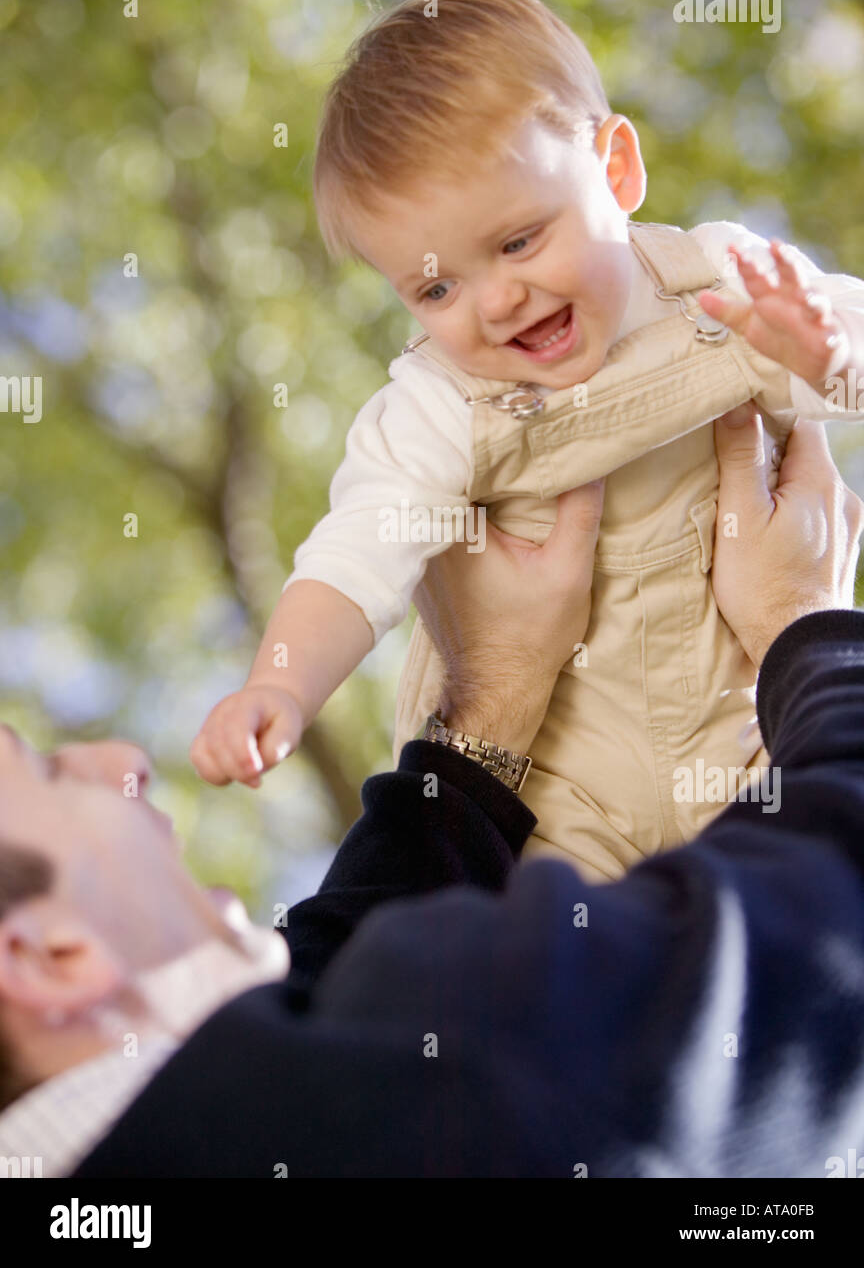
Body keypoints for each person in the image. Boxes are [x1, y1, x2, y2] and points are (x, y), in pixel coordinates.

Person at [0, 403, 862, 1177]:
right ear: (46, 955)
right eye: (45, 772)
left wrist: (488, 713)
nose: (120, 757)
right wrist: (805, 622)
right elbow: (828, 923)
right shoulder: (442, 1084)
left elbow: (337, 982)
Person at [191, 0, 864, 882]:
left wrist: (827, 354)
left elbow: (840, 355)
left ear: (616, 171)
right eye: (436, 289)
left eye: (518, 241)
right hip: (555, 787)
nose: (497, 300)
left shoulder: (713, 276)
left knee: (797, 915)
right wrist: (279, 683)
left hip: (741, 740)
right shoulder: (435, 407)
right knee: (560, 976)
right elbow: (350, 561)